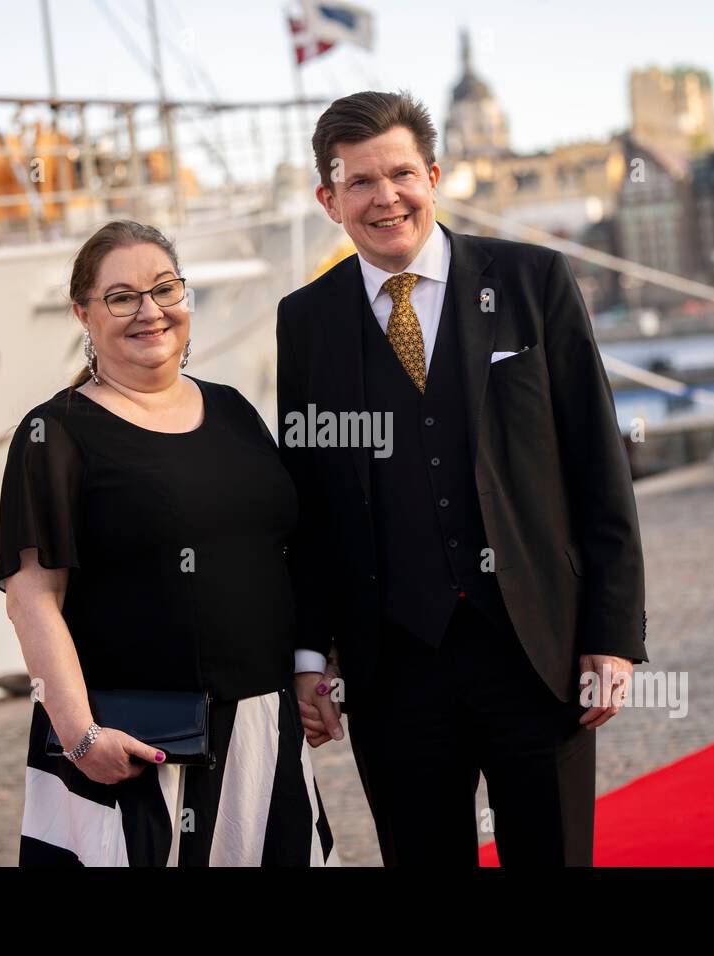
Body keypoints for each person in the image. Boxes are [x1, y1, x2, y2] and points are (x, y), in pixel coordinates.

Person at [277, 91, 647, 867]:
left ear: (435, 175)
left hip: (536, 651)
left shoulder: (532, 280)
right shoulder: (304, 321)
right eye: (360, 182)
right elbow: (311, 503)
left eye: (402, 173)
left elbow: (597, 465)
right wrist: (311, 656)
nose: (386, 198)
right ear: (329, 199)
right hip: (392, 670)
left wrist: (611, 635)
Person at [0, 220, 338, 867]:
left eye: (164, 289)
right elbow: (31, 598)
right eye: (121, 297)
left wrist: (310, 668)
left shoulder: (234, 410)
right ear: (83, 314)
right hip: (134, 744)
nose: (149, 311)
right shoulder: (55, 433)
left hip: (261, 731)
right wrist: (80, 734)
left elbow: (281, 553)